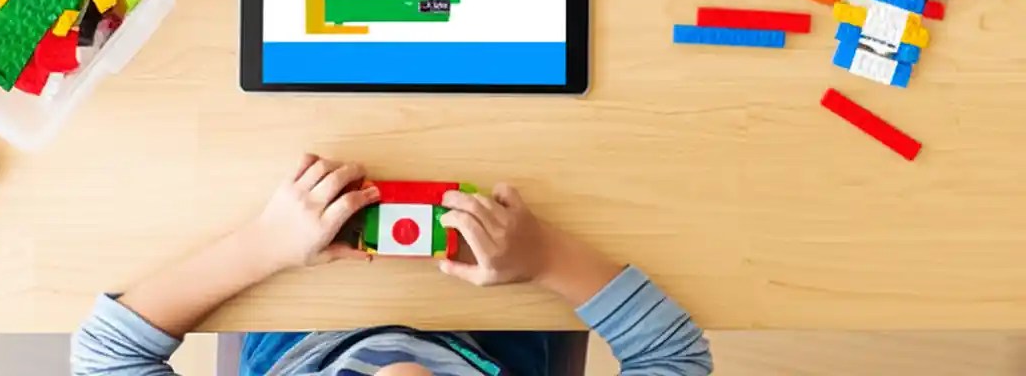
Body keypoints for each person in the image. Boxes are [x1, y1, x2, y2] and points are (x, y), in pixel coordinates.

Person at [72, 155, 713, 376]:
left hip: (299, 316)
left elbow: (107, 356)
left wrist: (265, 244)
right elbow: (674, 357)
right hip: (504, 316)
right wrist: (547, 257)